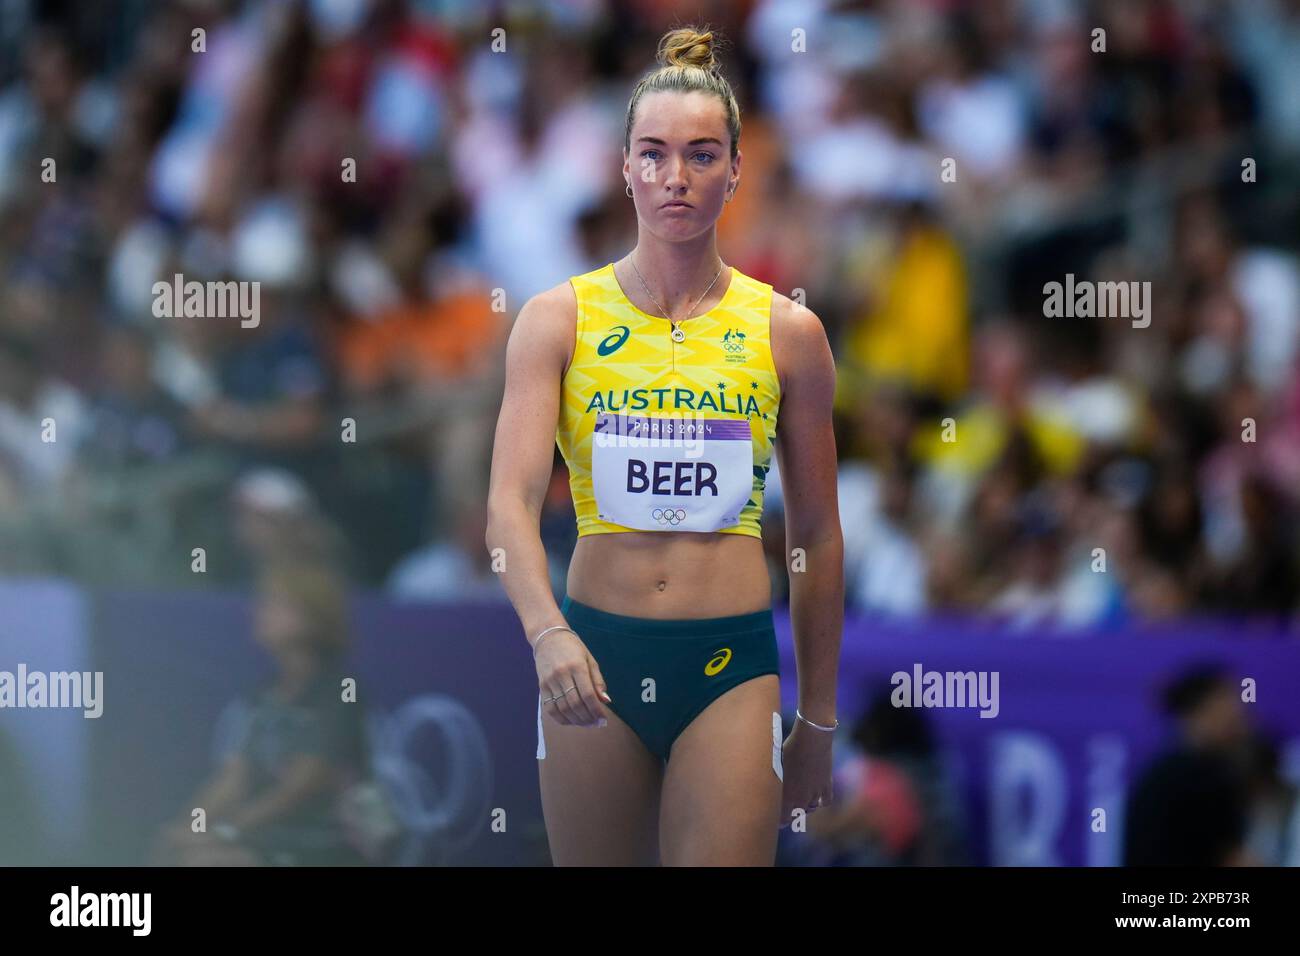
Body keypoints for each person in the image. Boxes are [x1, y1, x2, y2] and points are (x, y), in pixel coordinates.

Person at [486, 26, 843, 865]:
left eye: (701, 155)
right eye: (652, 154)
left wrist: (819, 717)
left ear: (736, 169)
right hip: (593, 661)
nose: (674, 178)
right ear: (622, 168)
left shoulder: (788, 333)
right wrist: (547, 635)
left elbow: (820, 537)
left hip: (729, 667)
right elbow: (507, 505)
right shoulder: (556, 320)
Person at [150, 563, 369, 866]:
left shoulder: (340, 691)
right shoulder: (265, 694)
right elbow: (236, 776)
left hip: (326, 850)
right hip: (269, 843)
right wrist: (188, 825)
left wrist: (227, 830)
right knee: (175, 855)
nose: (257, 612)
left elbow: (303, 784)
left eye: (274, 604)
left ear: (312, 617)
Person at [1123, 664, 1256, 867]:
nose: (1239, 715)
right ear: (1199, 712)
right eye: (1226, 703)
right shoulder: (1194, 778)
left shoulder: (1173, 771)